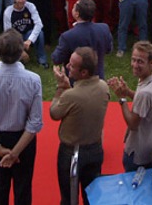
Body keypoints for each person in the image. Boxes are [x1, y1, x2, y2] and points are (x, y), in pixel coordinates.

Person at [0, 29, 43, 205]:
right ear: (21, 52)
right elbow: (35, 122)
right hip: (23, 141)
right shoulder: (33, 79)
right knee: (23, 189)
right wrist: (16, 152)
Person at [50, 47, 110, 205]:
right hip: (95, 150)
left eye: (72, 65)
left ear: (83, 72)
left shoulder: (70, 95)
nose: (68, 66)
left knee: (69, 198)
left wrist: (61, 88)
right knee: (91, 197)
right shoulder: (103, 87)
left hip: (72, 154)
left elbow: (54, 113)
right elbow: (80, 100)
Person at [107, 41, 152, 171]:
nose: (134, 65)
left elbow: (133, 124)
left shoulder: (146, 93)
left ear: (151, 63)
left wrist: (122, 98)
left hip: (139, 153)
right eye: (133, 60)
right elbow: (147, 103)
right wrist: (128, 92)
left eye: (140, 61)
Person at [52, 0, 113, 79]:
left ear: (77, 14)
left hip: (76, 82)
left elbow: (57, 58)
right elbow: (109, 49)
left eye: (73, 7)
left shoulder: (68, 36)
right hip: (98, 80)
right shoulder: (104, 28)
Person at [2, 0, 48, 68]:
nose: (20, 0)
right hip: (15, 37)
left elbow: (39, 24)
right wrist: (21, 50)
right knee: (19, 60)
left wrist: (30, 40)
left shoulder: (30, 6)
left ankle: (42, 59)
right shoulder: (8, 11)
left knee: (40, 34)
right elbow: (8, 33)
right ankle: (17, 56)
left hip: (28, 34)